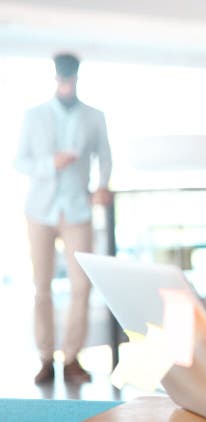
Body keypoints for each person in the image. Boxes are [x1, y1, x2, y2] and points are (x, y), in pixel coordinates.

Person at [16, 52, 113, 385]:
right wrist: (49, 164)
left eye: (71, 78)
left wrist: (101, 186)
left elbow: (105, 156)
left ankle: (72, 357)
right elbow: (19, 161)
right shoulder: (34, 115)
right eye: (62, 78)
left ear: (77, 78)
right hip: (40, 211)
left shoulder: (93, 116)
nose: (67, 84)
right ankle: (46, 357)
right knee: (41, 287)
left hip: (78, 211)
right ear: (55, 78)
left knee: (81, 286)